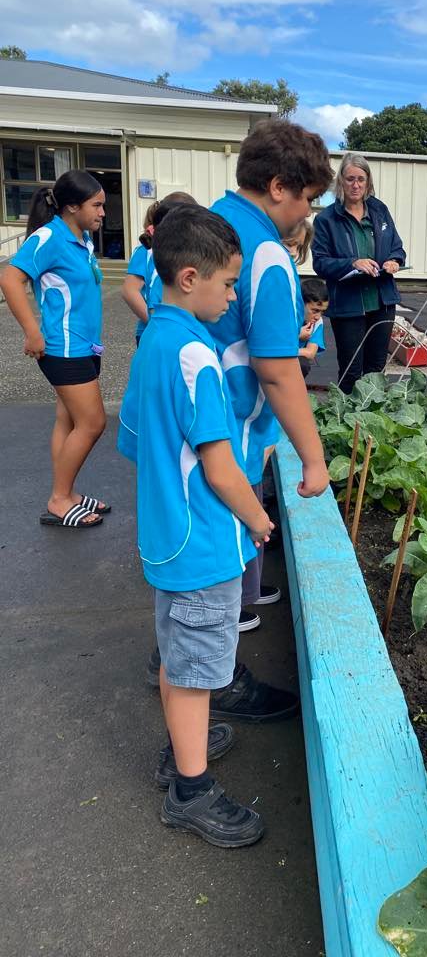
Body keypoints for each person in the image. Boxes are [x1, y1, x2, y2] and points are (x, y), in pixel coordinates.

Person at [118, 204, 272, 847]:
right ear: (189, 277)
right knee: (195, 666)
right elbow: (218, 468)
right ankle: (191, 789)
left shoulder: (155, 337)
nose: (234, 294)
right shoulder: (196, 357)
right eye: (229, 283)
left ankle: (186, 740)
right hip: (204, 540)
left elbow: (131, 438)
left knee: (176, 650)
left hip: (166, 530)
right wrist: (260, 519)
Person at [194, 119, 333, 721]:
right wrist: (314, 456)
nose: (308, 210)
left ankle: (178, 659)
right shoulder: (267, 255)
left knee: (193, 558)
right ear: (280, 186)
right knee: (220, 562)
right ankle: (212, 679)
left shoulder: (201, 225)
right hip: (225, 434)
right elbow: (278, 371)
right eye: (308, 198)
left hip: (186, 426)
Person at [1, 171, 108, 528]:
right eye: (97, 205)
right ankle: (60, 498)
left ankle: (68, 491)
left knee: (69, 419)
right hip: (63, 349)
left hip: (85, 346)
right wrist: (32, 331)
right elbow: (9, 277)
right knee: (93, 423)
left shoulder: (82, 238)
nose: (103, 212)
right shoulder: (48, 237)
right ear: (72, 206)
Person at [311, 153, 406, 393]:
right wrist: (352, 263)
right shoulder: (326, 220)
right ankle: (347, 424)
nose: (355, 185)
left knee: (376, 368)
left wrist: (395, 260)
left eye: (361, 179)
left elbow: (396, 245)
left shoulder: (379, 210)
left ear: (368, 182)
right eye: (350, 178)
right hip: (348, 304)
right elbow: (320, 263)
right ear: (340, 181)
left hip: (382, 300)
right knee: (352, 370)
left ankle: (372, 423)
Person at [121, 192, 196, 347]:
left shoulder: (184, 252)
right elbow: (130, 291)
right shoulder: (146, 251)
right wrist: (153, 321)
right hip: (153, 330)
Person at [298, 277, 329, 378]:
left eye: (322, 311)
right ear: (300, 304)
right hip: (270, 357)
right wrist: (297, 335)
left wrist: (285, 350)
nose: (318, 316)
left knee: (303, 364)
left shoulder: (317, 322)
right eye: (315, 310)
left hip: (291, 356)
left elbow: (310, 353)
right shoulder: (288, 316)